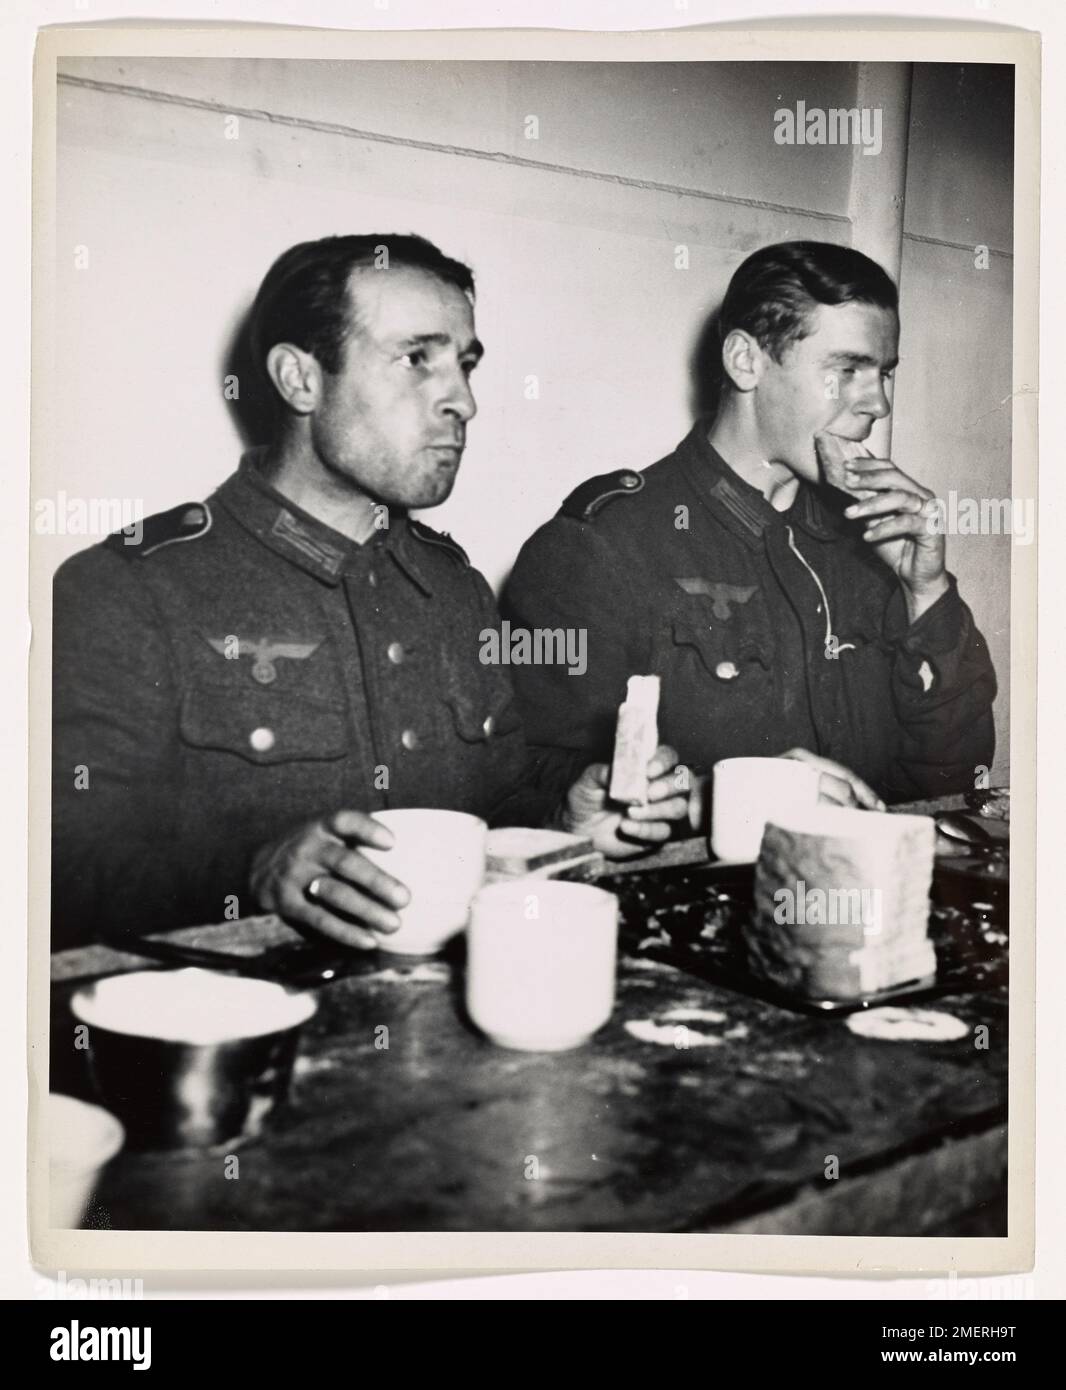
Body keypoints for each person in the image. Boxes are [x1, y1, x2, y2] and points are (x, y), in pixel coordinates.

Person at [51, 234, 693, 951]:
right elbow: (62, 870)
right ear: (300, 379)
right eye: (416, 358)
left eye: (465, 364)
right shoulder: (132, 589)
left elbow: (497, 800)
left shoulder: (452, 588)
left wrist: (566, 819)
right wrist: (249, 875)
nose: (464, 401)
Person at [503, 241, 997, 818]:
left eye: (884, 373)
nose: (879, 403)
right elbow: (527, 783)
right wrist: (724, 796)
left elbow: (954, 782)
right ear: (745, 361)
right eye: (847, 370)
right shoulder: (602, 546)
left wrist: (926, 594)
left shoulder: (873, 544)